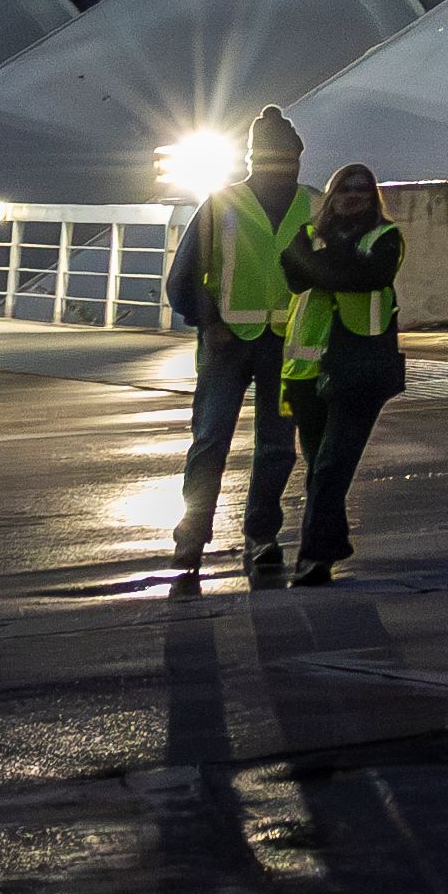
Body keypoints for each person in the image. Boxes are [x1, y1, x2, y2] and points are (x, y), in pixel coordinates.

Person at [164, 106, 314, 580]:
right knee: (213, 439)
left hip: (285, 347)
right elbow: (183, 278)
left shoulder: (314, 204)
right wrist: (210, 322)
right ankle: (195, 533)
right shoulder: (222, 203)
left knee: (273, 446)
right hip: (229, 343)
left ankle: (260, 535)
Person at [278, 162, 409, 585]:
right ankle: (333, 542)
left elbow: (367, 277)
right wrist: (333, 265)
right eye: (345, 188)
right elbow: (293, 274)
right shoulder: (309, 235)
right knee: (319, 466)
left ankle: (314, 559)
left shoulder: (386, 238)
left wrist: (321, 264)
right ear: (332, 194)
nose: (354, 195)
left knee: (333, 465)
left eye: (364, 189)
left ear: (374, 197)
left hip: (363, 368)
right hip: (306, 368)